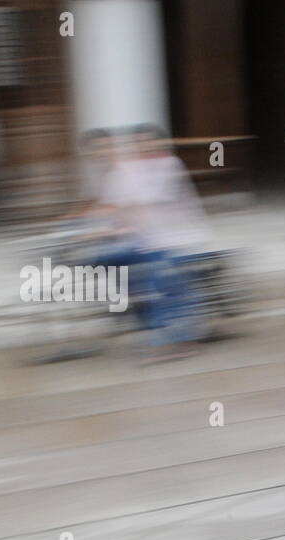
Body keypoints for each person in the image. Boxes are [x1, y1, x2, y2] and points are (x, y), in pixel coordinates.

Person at [96, 125, 213, 362]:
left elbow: (151, 203)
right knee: (106, 261)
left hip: (174, 236)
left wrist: (129, 220)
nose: (144, 147)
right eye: (139, 143)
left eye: (149, 142)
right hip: (145, 239)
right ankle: (148, 321)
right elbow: (118, 205)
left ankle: (174, 337)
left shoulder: (169, 165)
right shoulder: (129, 169)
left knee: (156, 273)